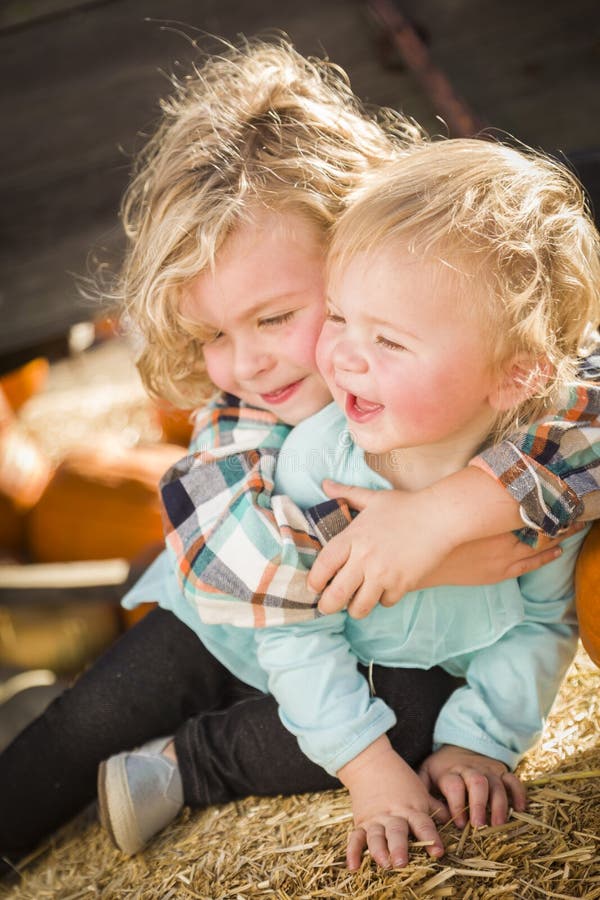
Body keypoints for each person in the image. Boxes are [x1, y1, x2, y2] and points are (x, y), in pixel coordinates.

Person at [1, 40, 598, 873]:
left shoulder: (479, 361)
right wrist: (439, 556)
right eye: (212, 334)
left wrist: (454, 510)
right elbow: (269, 595)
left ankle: (191, 761)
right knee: (87, 726)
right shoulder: (253, 430)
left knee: (422, 719)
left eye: (277, 318)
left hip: (388, 654)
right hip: (231, 630)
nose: (245, 365)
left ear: (363, 244)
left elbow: (582, 387)